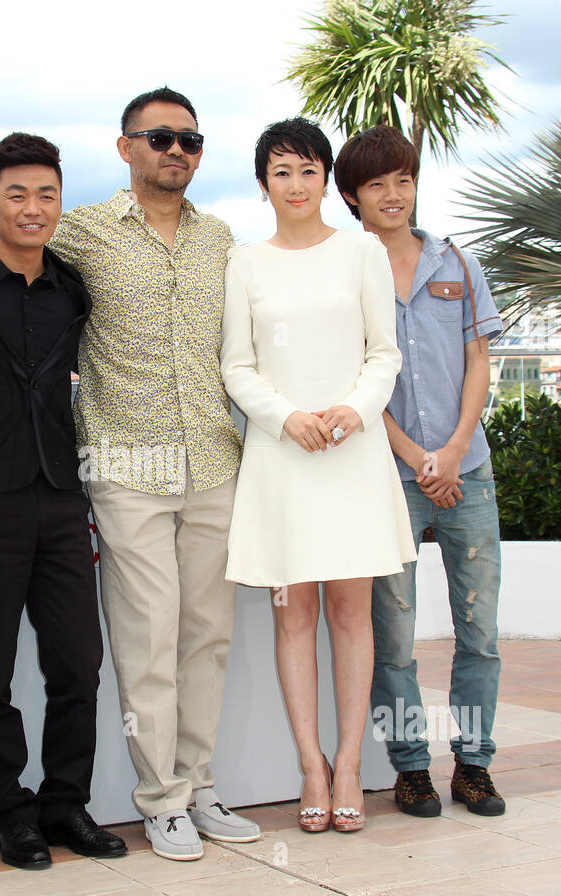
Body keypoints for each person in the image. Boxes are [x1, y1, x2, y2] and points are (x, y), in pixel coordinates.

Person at [48, 87, 260, 861]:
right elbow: (5, 264)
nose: (178, 151)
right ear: (126, 146)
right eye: (162, 138)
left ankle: (198, 783)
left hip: (213, 459)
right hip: (126, 466)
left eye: (191, 141)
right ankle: (160, 798)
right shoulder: (83, 232)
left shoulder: (222, 238)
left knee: (208, 636)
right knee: (146, 637)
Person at [221, 118, 414, 833]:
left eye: (307, 171)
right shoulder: (245, 262)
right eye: (281, 172)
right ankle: (310, 764)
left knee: (350, 613)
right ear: (263, 183)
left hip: (351, 453)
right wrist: (283, 417)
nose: (295, 185)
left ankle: (351, 764)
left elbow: (383, 354)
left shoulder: (362, 251)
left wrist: (354, 412)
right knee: (292, 614)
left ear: (326, 179)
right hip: (283, 459)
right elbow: (236, 365)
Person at [0, 132, 126, 870]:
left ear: (59, 203)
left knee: (78, 662)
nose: (32, 207)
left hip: (61, 498)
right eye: (16, 194)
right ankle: (9, 812)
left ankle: (65, 803)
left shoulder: (73, 288)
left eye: (46, 193)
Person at [336, 125, 507, 817]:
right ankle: (411, 768)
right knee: (395, 640)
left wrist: (457, 447)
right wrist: (415, 458)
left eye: (403, 179)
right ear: (352, 196)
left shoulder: (457, 264)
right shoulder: (346, 270)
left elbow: (478, 364)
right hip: (390, 479)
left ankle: (475, 763)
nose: (394, 194)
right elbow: (355, 380)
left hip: (470, 474)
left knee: (480, 631)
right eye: (377, 184)